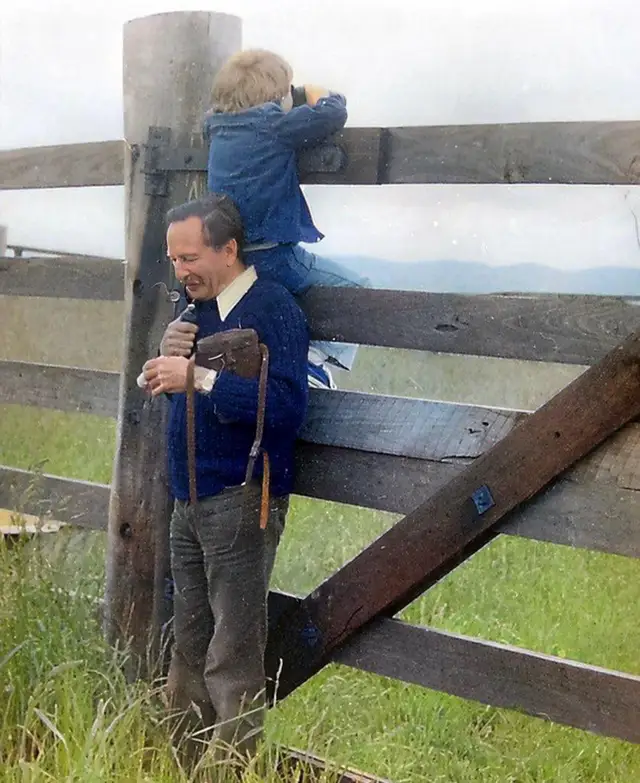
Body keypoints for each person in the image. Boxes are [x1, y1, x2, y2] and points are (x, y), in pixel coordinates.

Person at [139, 193, 309, 769]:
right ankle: (179, 768)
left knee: (232, 657)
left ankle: (228, 773)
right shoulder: (193, 317)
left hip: (241, 501)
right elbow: (184, 393)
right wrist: (161, 371)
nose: (181, 272)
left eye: (190, 258)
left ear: (228, 248)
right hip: (189, 502)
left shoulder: (272, 308)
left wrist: (200, 379)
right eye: (174, 260)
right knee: (187, 649)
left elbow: (286, 407)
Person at [203, 48, 369, 390]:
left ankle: (279, 358)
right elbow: (332, 114)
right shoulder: (272, 124)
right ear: (276, 95)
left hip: (234, 260)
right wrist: (318, 95)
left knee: (276, 308)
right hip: (274, 255)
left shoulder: (216, 129)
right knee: (359, 289)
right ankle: (314, 360)